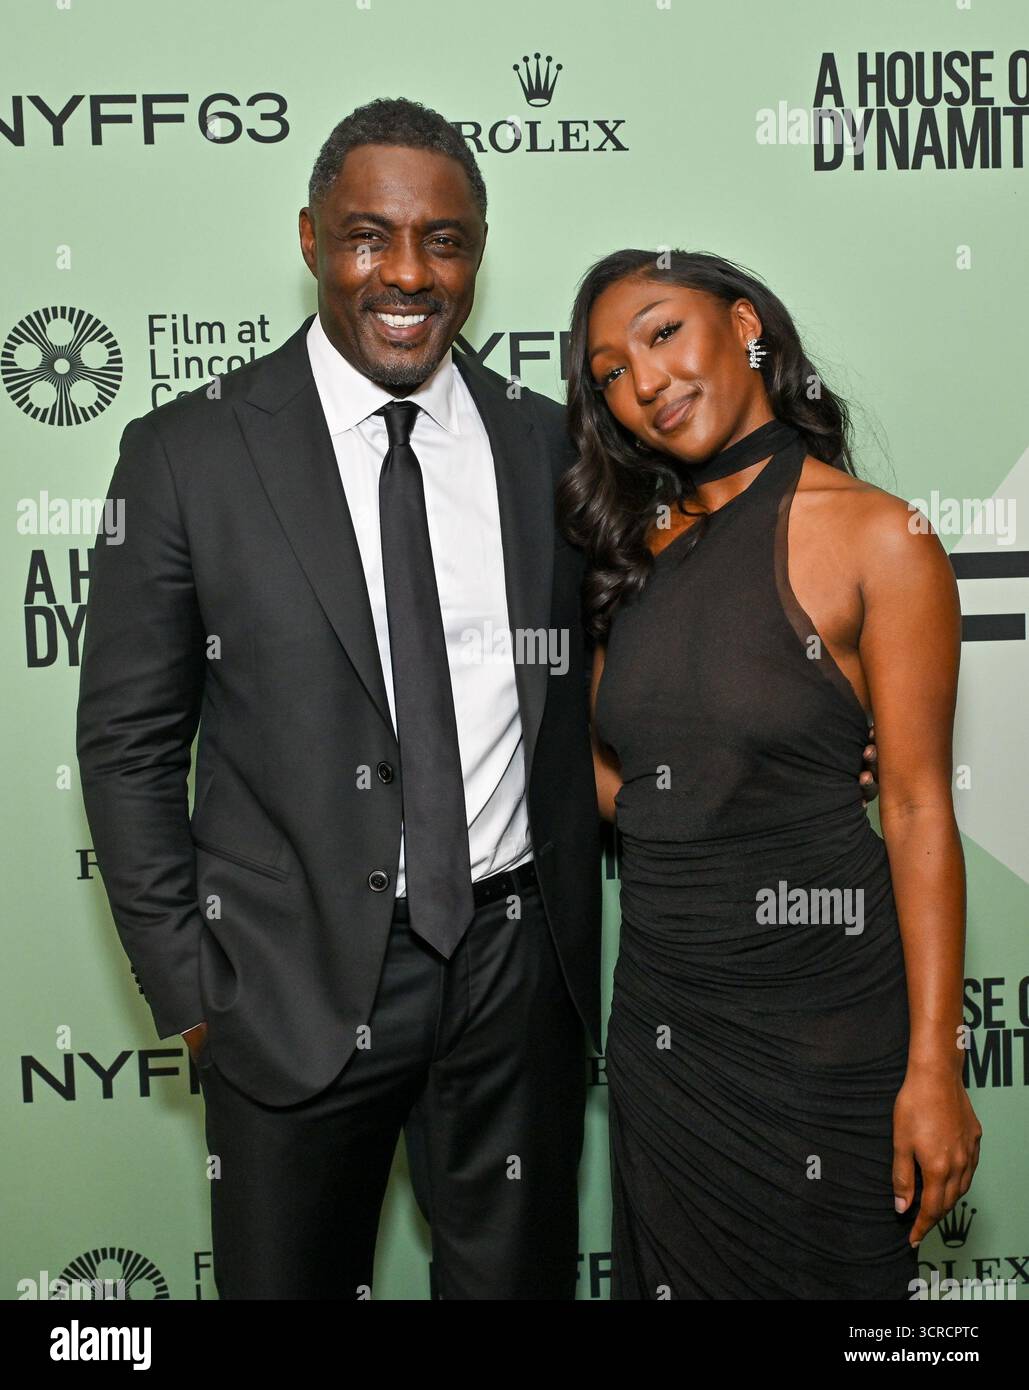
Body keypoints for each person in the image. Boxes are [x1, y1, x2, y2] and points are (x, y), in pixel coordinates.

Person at [75, 97, 603, 1300]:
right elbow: (124, 745)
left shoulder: (547, 444)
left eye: (445, 240)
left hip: (515, 975)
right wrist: (194, 989)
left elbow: (618, 677)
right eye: (370, 237)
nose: (408, 274)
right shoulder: (187, 453)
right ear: (311, 238)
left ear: (479, 247)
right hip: (288, 980)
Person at [557, 248, 982, 1299]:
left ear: (746, 323)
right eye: (610, 370)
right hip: (667, 1025)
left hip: (827, 1029)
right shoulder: (631, 547)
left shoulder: (883, 537)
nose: (643, 383)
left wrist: (935, 1064)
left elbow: (921, 806)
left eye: (662, 333)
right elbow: (629, 783)